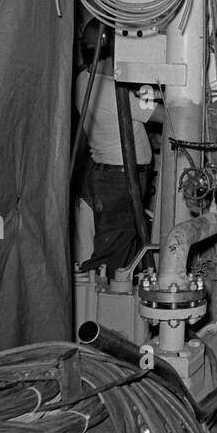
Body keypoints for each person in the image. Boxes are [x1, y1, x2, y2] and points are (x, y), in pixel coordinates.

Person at [75, 21, 159, 274]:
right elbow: (168, 115)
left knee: (122, 249)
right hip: (122, 181)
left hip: (108, 177)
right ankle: (93, 301)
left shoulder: (83, 79)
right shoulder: (119, 92)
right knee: (111, 257)